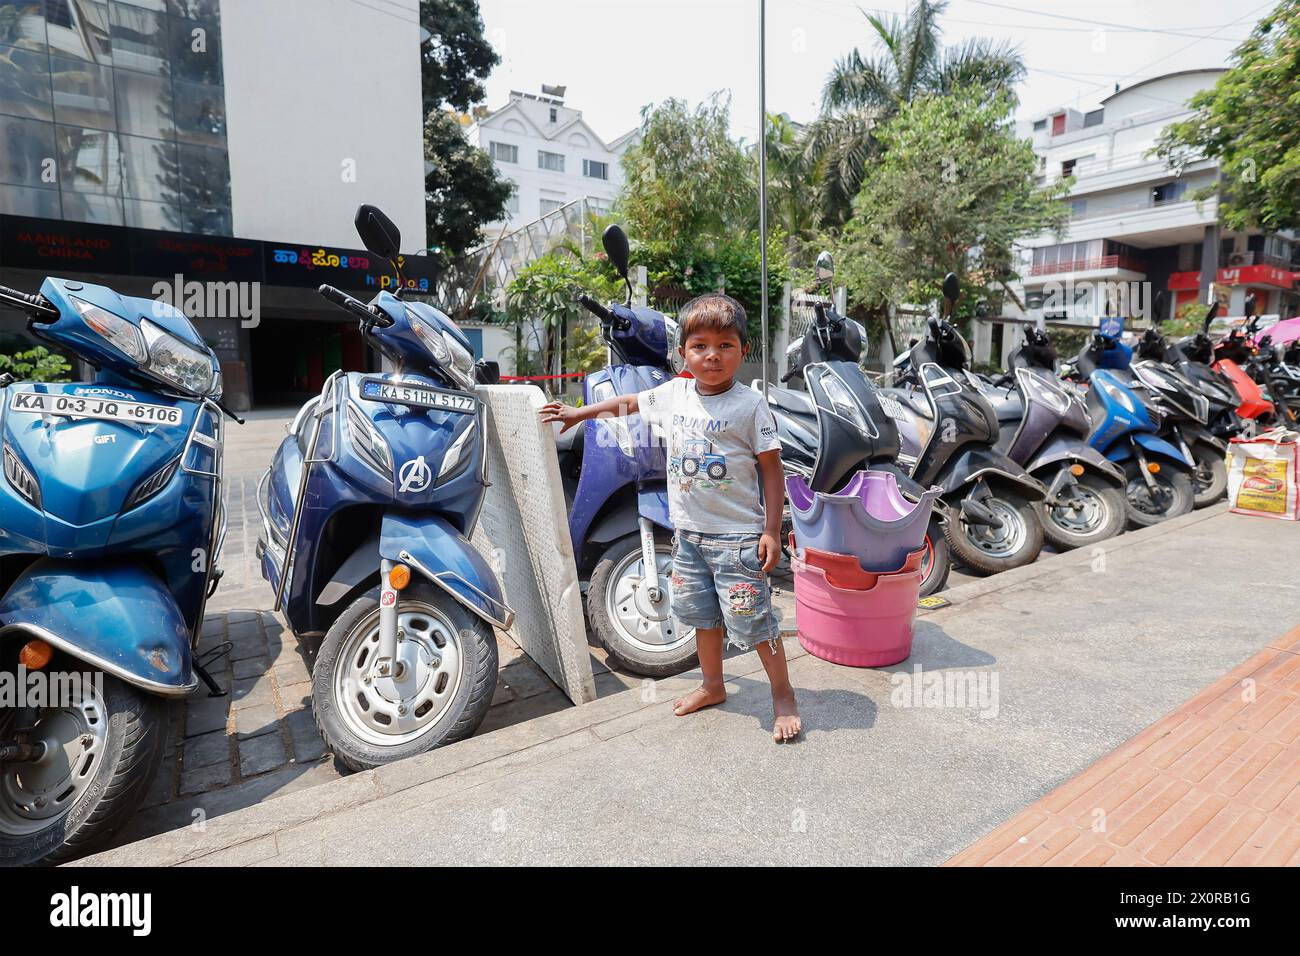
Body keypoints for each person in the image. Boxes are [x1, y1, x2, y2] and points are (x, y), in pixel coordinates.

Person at [540, 293, 801, 742]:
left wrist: (772, 531)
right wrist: (577, 413)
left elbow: (772, 470)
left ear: (744, 350)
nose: (712, 356)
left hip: (736, 540)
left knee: (755, 622)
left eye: (725, 345)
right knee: (701, 617)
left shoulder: (749, 405)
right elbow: (629, 403)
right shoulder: (675, 391)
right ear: (683, 352)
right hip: (687, 537)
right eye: (700, 345)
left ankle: (783, 695)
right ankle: (712, 686)